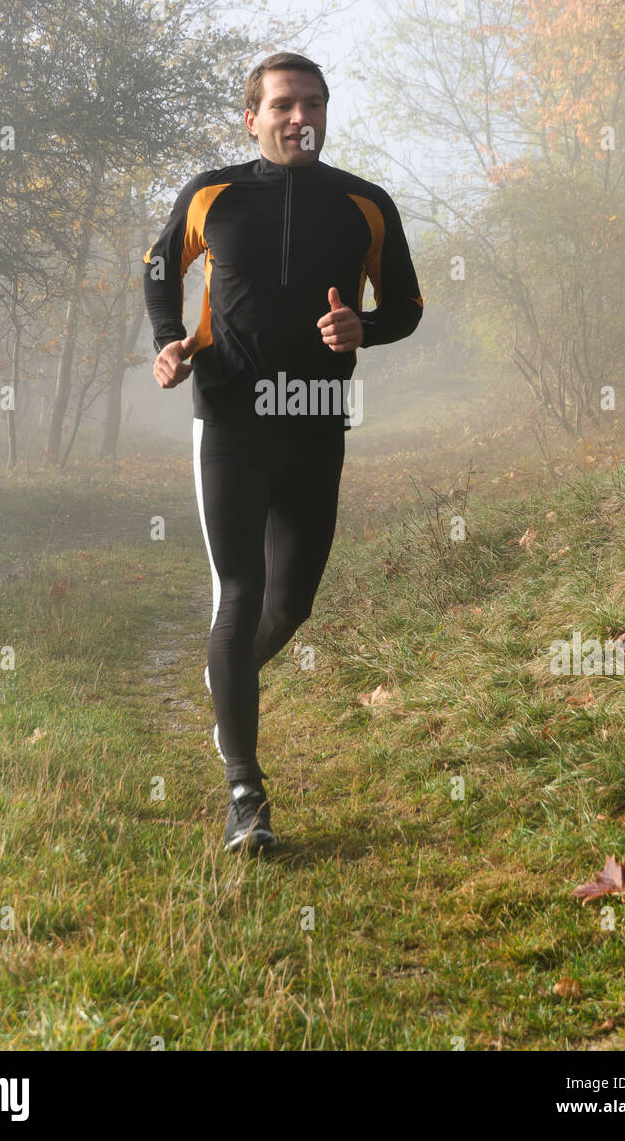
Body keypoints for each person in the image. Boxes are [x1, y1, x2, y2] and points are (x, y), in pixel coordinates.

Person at [143, 52, 423, 852]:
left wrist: (362, 327)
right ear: (252, 117)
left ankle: (222, 681)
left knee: (290, 603)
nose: (300, 117)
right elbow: (160, 269)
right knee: (238, 594)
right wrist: (170, 342)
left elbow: (403, 304)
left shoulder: (364, 203)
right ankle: (245, 797)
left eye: (314, 104)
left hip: (314, 416)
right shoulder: (212, 193)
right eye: (284, 105)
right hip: (229, 415)